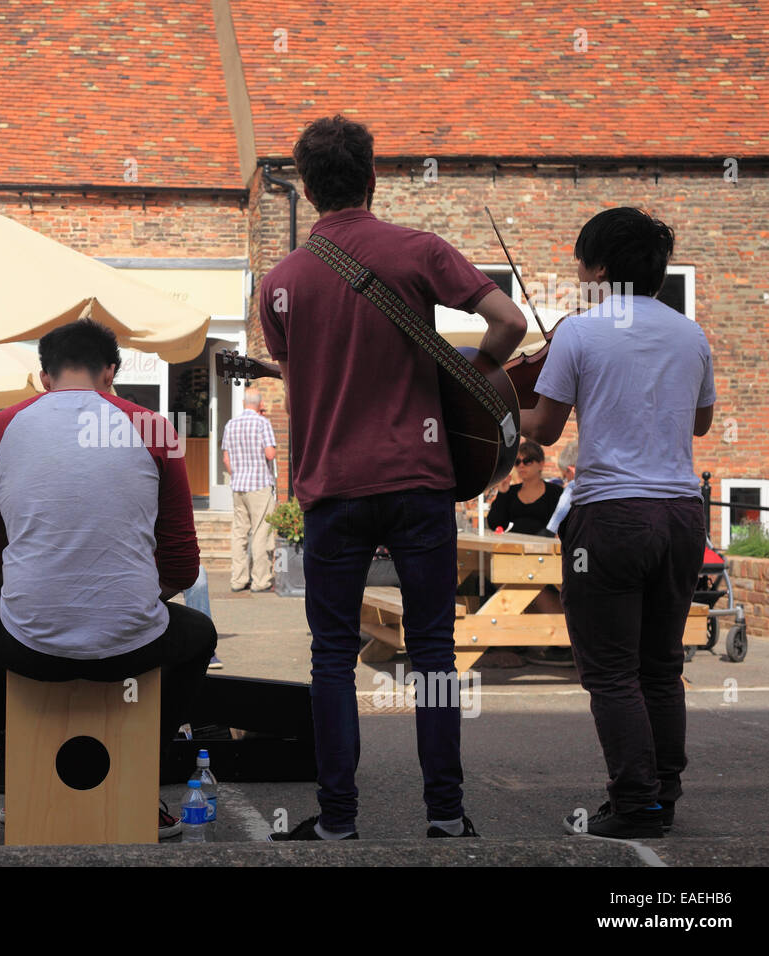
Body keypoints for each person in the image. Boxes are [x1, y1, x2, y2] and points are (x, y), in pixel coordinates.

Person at [260, 116, 527, 841]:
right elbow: (508, 325)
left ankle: (338, 819)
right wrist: (467, 380)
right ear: (374, 177)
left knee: (330, 657)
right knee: (434, 650)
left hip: (332, 488)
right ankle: (445, 813)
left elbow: (298, 379)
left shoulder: (280, 283)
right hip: (418, 478)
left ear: (309, 190)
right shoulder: (420, 250)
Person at [0, 318, 218, 840]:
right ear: (110, 372)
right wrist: (131, 600)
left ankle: (9, 763)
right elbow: (183, 564)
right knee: (199, 635)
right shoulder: (154, 428)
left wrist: (29, 596)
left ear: (43, 377)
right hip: (132, 647)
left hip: (27, 645)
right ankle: (145, 779)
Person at [521, 207, 714, 839]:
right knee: (661, 665)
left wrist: (498, 405)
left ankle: (635, 806)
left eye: (581, 263)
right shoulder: (691, 335)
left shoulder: (579, 333)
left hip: (610, 515)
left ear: (599, 267)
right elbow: (701, 424)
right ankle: (664, 793)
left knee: (609, 670)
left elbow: (544, 431)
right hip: (683, 514)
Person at [221, 388, 278, 592]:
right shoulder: (263, 423)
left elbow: (226, 459)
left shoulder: (231, 424)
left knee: (239, 533)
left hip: (238, 486)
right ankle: (260, 580)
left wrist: (236, 474)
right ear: (260, 404)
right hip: (259, 484)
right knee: (261, 532)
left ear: (245, 403)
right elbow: (270, 454)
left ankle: (238, 579)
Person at [484, 439, 563, 536]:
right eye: (517, 462)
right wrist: (502, 493)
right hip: (512, 546)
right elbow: (494, 525)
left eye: (527, 461)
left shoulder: (555, 492)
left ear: (541, 464)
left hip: (543, 548)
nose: (521, 465)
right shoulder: (510, 491)